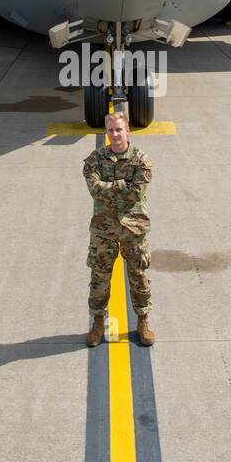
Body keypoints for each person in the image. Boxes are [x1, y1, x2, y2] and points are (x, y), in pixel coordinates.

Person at [82, 110, 154, 347]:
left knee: (138, 276)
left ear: (128, 130)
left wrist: (108, 188)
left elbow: (137, 192)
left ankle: (143, 321)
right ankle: (98, 323)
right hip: (104, 230)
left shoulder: (141, 160)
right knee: (99, 278)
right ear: (106, 132)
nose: (115, 134)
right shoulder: (94, 159)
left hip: (134, 229)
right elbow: (94, 189)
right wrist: (123, 185)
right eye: (111, 130)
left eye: (119, 130)